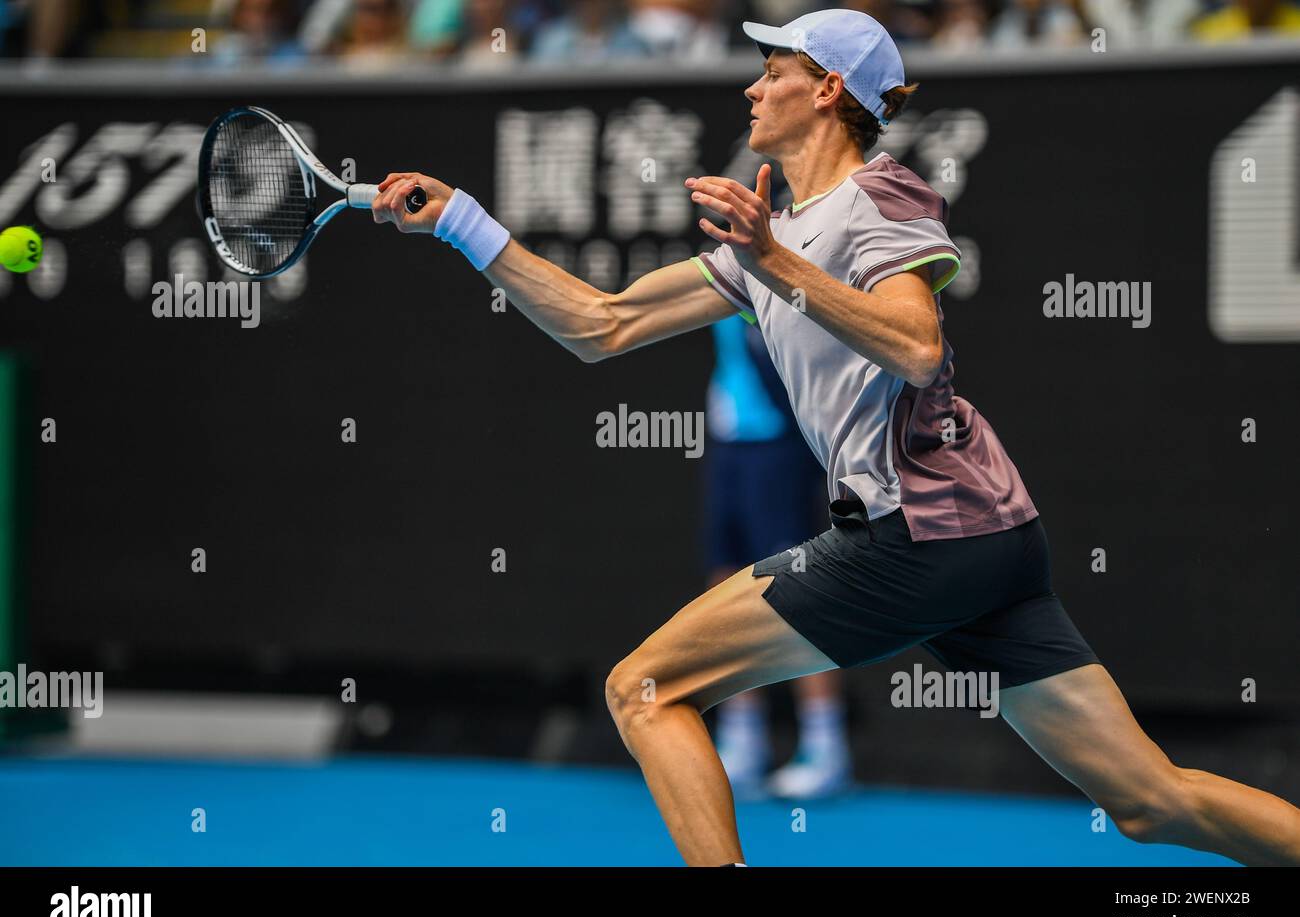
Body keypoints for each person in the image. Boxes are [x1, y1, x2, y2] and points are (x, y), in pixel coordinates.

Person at [369, 8, 1300, 866]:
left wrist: (773, 261)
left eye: (772, 70)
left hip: (918, 533)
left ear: (826, 90)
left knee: (645, 689)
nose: (752, 87)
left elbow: (917, 345)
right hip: (984, 537)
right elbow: (599, 323)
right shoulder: (776, 234)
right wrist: (462, 222)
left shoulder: (879, 198)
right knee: (1149, 801)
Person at [702, 309, 850, 800]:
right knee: (726, 585)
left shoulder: (784, 275)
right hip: (730, 443)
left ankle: (825, 746)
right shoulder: (720, 273)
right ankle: (742, 741)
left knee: (791, 590)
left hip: (780, 447)